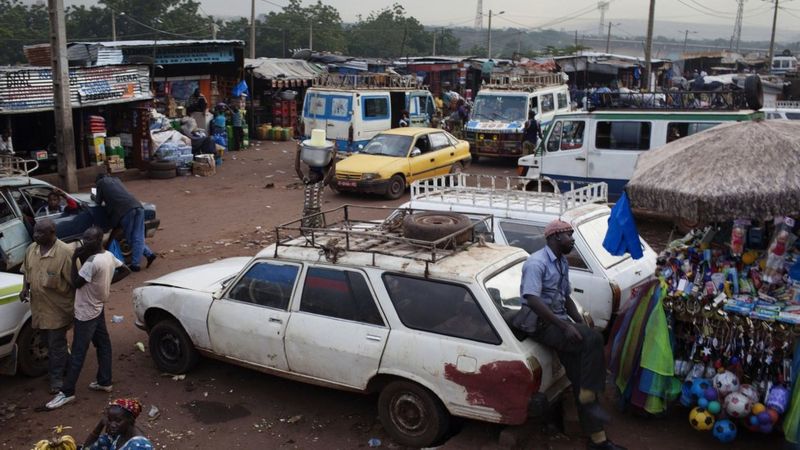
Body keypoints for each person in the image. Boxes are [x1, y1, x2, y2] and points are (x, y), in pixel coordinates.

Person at [513, 219, 625, 450]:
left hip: (559, 322)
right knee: (594, 339)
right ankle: (590, 391)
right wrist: (566, 327)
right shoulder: (536, 263)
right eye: (568, 235)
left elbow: (565, 298)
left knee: (580, 372)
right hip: (540, 324)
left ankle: (598, 440)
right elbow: (532, 299)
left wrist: (578, 322)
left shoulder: (562, 262)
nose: (572, 239)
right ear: (554, 238)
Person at [46, 227, 130, 410]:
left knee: (78, 351)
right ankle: (105, 381)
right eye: (84, 238)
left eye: (89, 239)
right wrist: (104, 284)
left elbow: (74, 283)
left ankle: (67, 392)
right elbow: (125, 270)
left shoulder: (91, 262)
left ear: (99, 239)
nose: (85, 242)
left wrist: (74, 257)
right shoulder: (107, 255)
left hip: (85, 312)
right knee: (103, 344)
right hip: (97, 306)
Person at [20, 219, 74, 395]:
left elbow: (75, 282)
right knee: (47, 342)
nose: (35, 235)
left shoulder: (65, 253)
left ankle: (56, 380)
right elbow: (26, 271)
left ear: (52, 233)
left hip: (58, 309)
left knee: (56, 344)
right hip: (39, 309)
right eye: (35, 232)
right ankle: (68, 365)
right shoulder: (31, 249)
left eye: (40, 233)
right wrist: (24, 288)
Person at [94, 174, 156, 272]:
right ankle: (149, 254)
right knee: (138, 236)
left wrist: (94, 196)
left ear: (97, 180)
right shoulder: (116, 179)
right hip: (138, 206)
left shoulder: (100, 183)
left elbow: (98, 201)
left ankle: (135, 265)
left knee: (131, 237)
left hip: (125, 211)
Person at [82, 398, 154, 449]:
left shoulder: (140, 446)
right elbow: (87, 448)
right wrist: (100, 425)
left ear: (131, 420)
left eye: (118, 420)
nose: (112, 425)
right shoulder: (118, 434)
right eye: (110, 420)